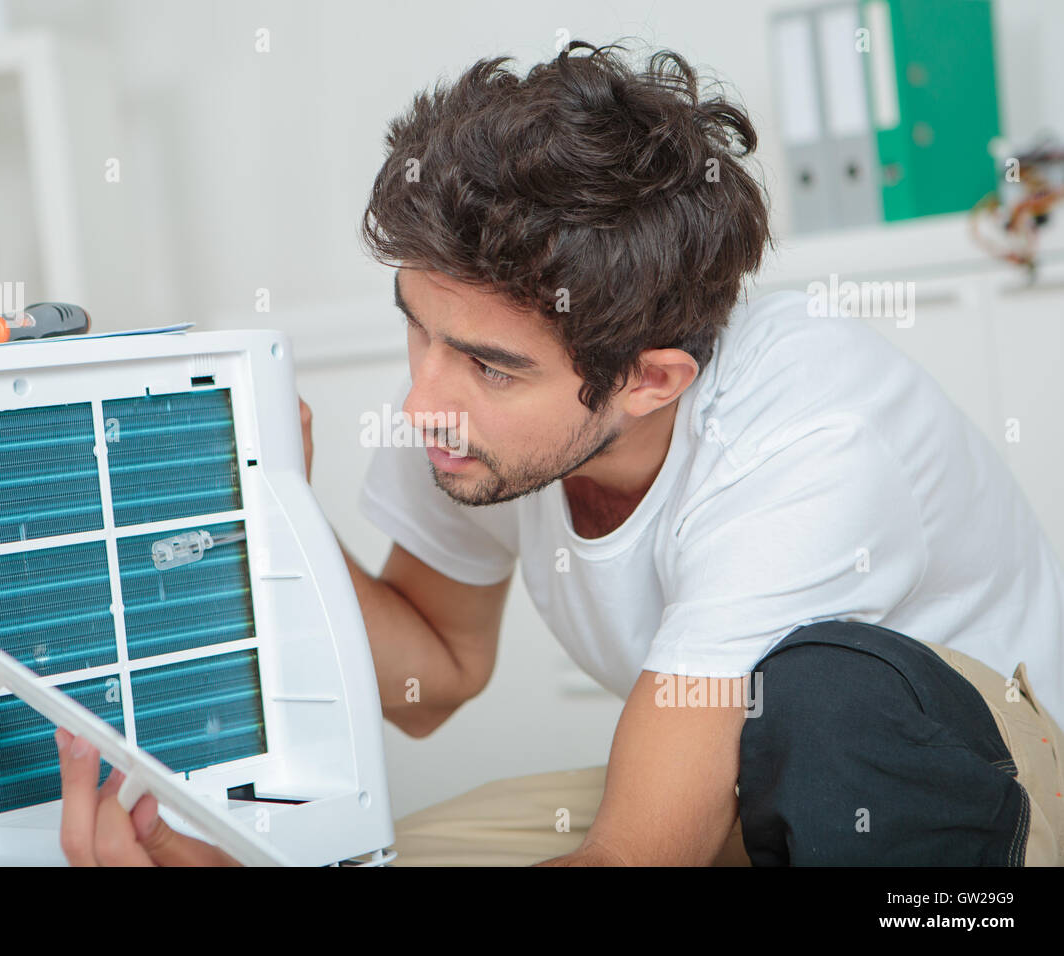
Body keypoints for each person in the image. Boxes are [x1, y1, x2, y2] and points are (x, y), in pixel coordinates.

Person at [55, 39, 1064, 867]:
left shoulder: (808, 444)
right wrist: (267, 498)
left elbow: (635, 858)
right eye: (417, 328)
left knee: (821, 699)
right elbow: (434, 674)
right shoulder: (461, 407)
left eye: (490, 368)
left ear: (650, 378)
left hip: (980, 795)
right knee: (352, 851)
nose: (424, 402)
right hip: (739, 780)